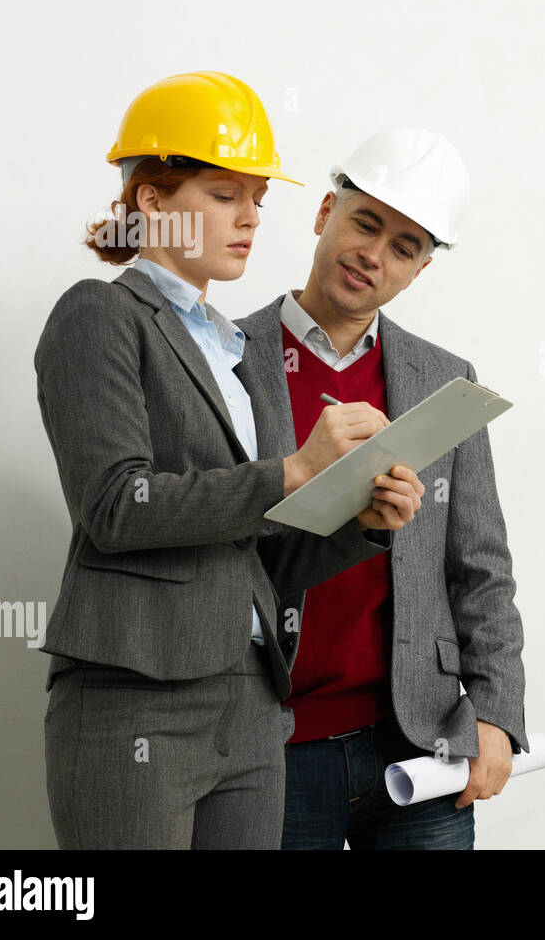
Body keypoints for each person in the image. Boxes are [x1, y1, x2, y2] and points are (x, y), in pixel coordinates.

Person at [34, 71, 426, 850]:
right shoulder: (100, 315)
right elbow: (115, 505)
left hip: (251, 702)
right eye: (223, 196)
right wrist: (290, 472)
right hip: (135, 697)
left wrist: (364, 526)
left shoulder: (238, 351)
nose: (250, 218)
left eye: (258, 200)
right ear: (152, 200)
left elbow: (255, 557)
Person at [233, 128, 528, 850]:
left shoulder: (443, 383)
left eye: (403, 246)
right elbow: (218, 546)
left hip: (418, 742)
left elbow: (482, 567)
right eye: (365, 222)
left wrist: (493, 709)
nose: (374, 254)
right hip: (272, 743)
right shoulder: (227, 360)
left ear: (420, 269)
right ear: (324, 211)